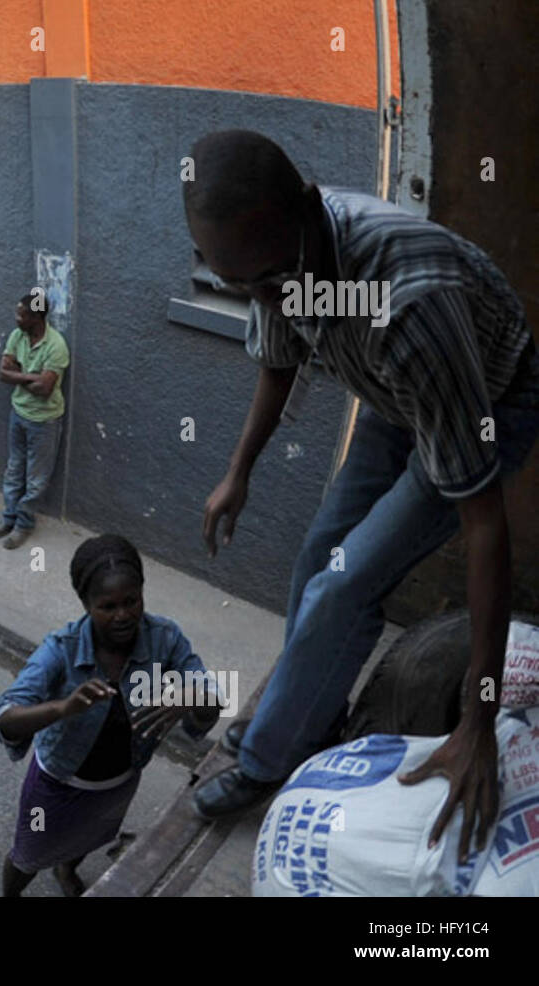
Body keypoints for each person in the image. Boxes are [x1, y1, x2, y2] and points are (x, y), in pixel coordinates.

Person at [182, 131, 539, 863]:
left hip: (482, 405)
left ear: (308, 210)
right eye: (240, 284)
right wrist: (238, 470)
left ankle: (268, 761)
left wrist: (476, 722)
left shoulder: (408, 306)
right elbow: (279, 359)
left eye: (272, 281)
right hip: (395, 396)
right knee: (319, 556)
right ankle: (305, 719)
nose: (267, 299)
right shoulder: (271, 256)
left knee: (344, 584)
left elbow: (485, 527)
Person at [0, 535, 219, 897]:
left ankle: (66, 868)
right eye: (108, 606)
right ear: (85, 605)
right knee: (29, 854)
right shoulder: (60, 649)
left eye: (132, 601)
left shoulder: (165, 638)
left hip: (118, 783)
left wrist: (192, 696)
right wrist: (62, 708)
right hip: (58, 784)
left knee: (89, 836)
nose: (123, 615)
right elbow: (3, 716)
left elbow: (213, 694)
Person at [0, 292, 70, 549]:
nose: (17, 318)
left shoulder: (56, 346)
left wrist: (19, 375)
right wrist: (32, 377)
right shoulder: (17, 336)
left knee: (36, 479)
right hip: (18, 413)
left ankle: (23, 524)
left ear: (36, 317)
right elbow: (3, 373)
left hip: (45, 421)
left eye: (22, 315)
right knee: (14, 470)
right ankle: (8, 518)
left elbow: (45, 389)